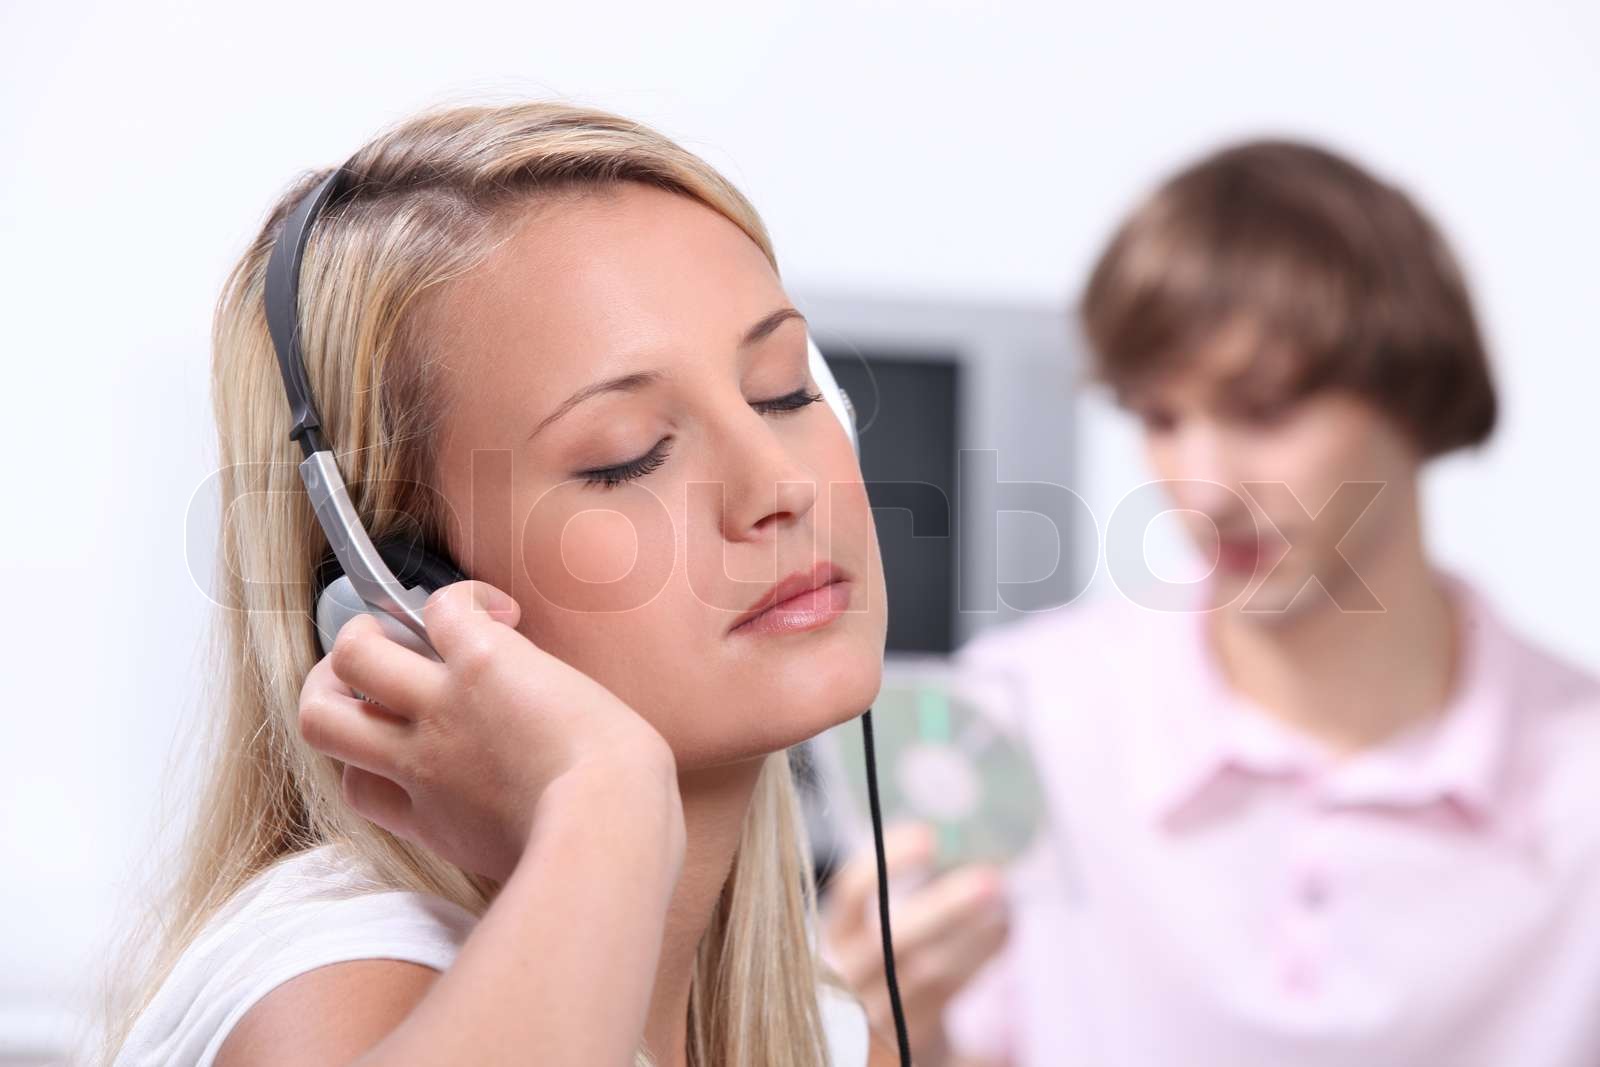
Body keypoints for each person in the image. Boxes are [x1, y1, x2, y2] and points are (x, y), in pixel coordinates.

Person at [100, 100, 895, 1067]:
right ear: (400, 587)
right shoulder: (328, 980)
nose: (781, 485)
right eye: (626, 458)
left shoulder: (815, 1024)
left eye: (781, 391)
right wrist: (604, 799)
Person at [825, 139, 1600, 1066]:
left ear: (1416, 400)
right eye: (1160, 418)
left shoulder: (1579, 780)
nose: (1204, 489)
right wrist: (891, 1029)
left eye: (1264, 409)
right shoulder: (1017, 719)